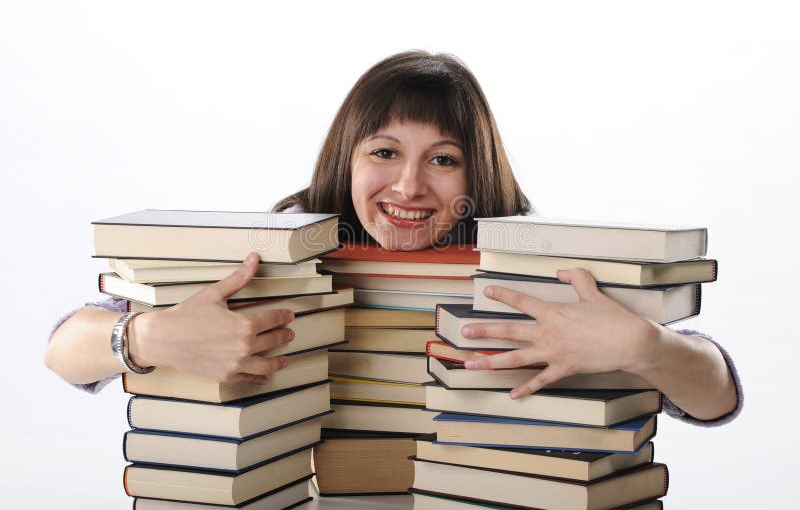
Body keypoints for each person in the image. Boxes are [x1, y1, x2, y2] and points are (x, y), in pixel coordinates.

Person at [45, 51, 741, 425]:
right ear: (347, 158)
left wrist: (646, 347)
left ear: (476, 173)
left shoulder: (535, 270)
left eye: (443, 159)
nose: (408, 186)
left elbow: (717, 393)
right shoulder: (274, 258)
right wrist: (141, 340)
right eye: (383, 152)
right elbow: (63, 349)